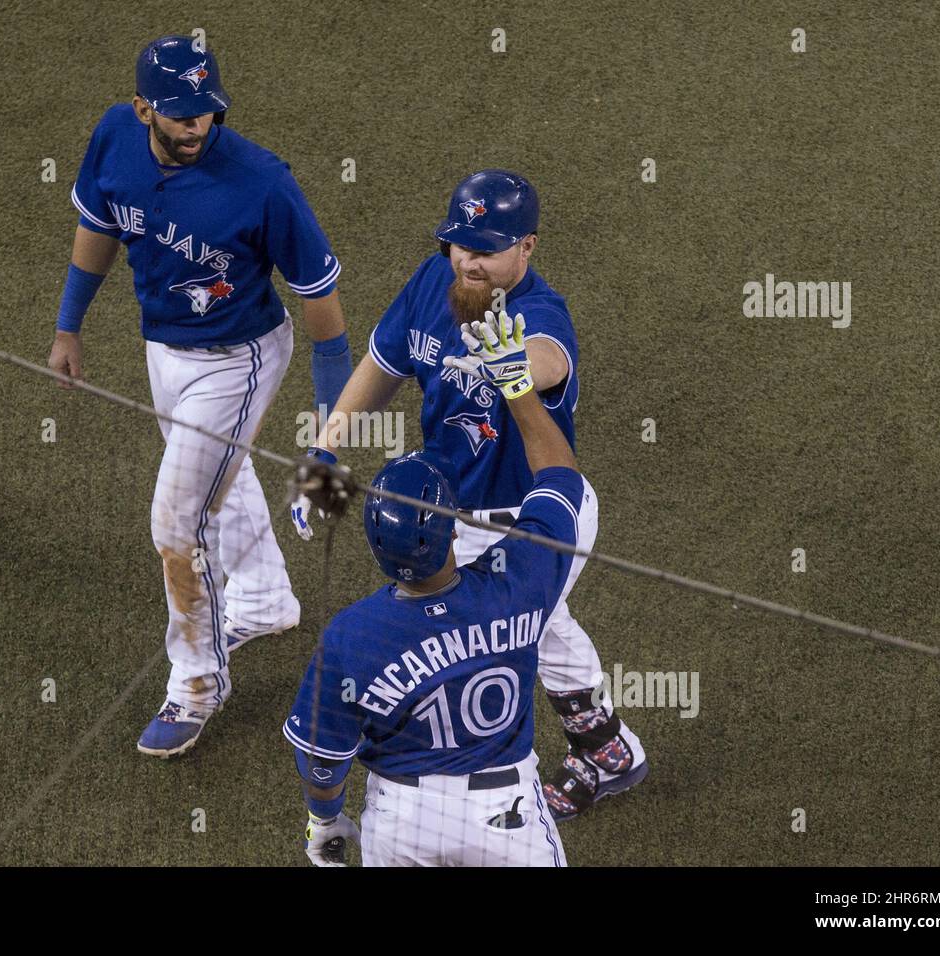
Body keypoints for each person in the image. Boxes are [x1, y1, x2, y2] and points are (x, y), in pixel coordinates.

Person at [290, 170, 646, 819]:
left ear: (527, 248)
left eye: (486, 248)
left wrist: (516, 367)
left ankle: (579, 756)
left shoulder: (539, 312)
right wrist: (325, 451)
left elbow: (549, 358)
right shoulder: (436, 282)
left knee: (502, 637)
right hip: (454, 518)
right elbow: (382, 367)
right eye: (460, 243)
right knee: (543, 627)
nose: (469, 260)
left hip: (537, 516)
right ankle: (608, 748)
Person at [48, 35, 353, 758]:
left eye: (206, 114)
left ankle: (196, 682)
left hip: (240, 359)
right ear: (142, 107)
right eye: (180, 115)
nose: (196, 128)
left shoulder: (262, 183)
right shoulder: (114, 138)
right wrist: (69, 324)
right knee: (219, 472)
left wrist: (327, 447)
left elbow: (325, 313)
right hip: (164, 346)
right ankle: (265, 599)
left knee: (174, 522)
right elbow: (97, 228)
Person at [286, 311, 584, 866]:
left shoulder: (352, 636)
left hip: (404, 823)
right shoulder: (522, 579)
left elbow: (323, 758)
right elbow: (560, 477)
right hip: (507, 818)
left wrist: (322, 820)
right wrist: (516, 387)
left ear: (375, 548)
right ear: (454, 529)